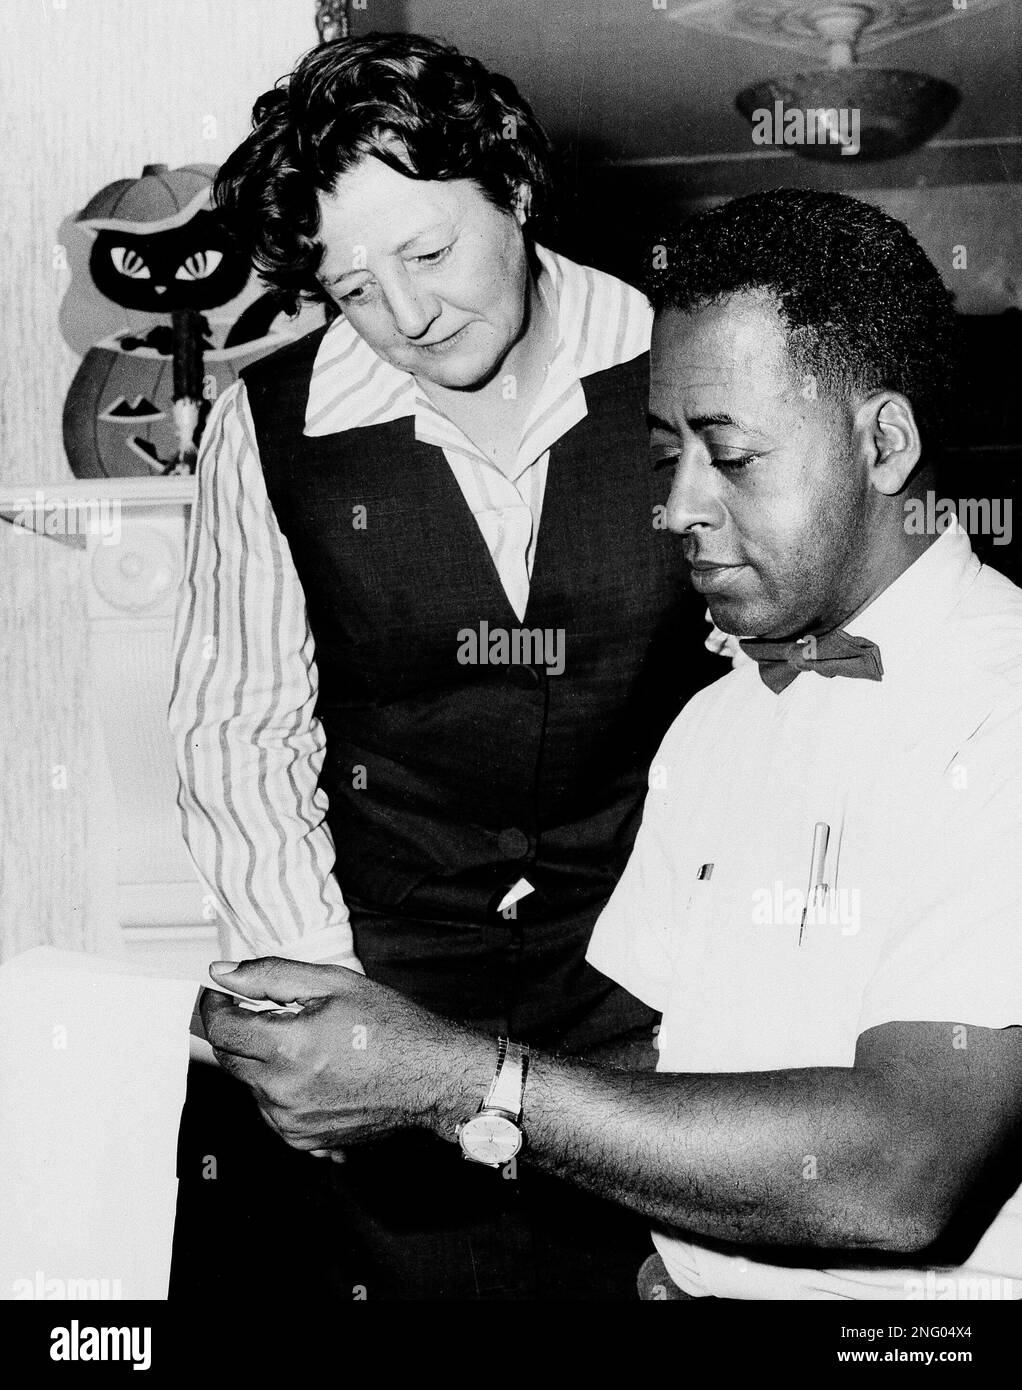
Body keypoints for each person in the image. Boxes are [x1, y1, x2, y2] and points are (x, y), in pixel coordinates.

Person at [202, 188, 1022, 1301]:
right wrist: (384, 1078)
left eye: (728, 459)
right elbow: (659, 1065)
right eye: (661, 456)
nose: (677, 506)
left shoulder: (999, 707)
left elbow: (899, 1170)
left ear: (883, 442)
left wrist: (454, 1082)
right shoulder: (718, 713)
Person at [168, 32, 709, 1299]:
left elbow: (769, 671)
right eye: (352, 288)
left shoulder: (679, 359)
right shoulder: (266, 427)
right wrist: (336, 1018)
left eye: (426, 252)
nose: (403, 315)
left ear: (513, 194)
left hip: (646, 1002)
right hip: (385, 969)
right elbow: (236, 731)